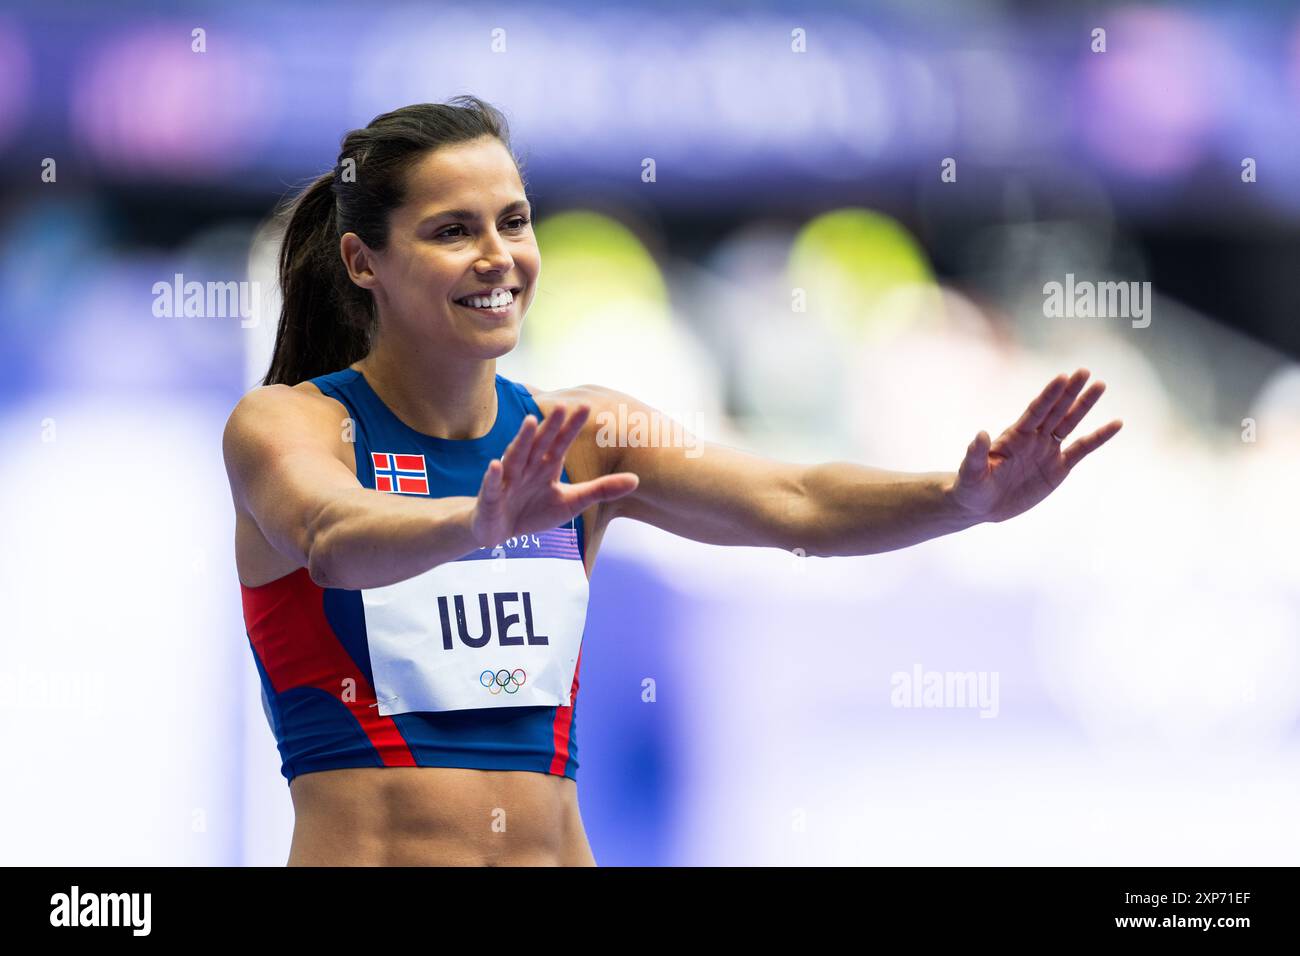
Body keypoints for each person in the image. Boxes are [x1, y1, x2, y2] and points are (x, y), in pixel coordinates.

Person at [221, 96, 1122, 866]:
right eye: (453, 231)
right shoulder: (293, 423)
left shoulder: (579, 434)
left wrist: (957, 501)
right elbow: (332, 542)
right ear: (361, 261)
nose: (498, 256)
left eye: (515, 220)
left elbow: (794, 500)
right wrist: (477, 523)